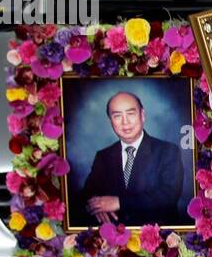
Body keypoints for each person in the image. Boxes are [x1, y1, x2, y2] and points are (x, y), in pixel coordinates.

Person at [78, 91, 185, 227]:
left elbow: (169, 195)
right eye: (117, 116)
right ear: (110, 121)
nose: (125, 122)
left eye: (130, 113)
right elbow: (87, 193)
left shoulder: (168, 151)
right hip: (114, 238)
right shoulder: (103, 156)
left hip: (156, 236)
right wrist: (96, 205)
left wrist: (119, 202)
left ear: (142, 115)